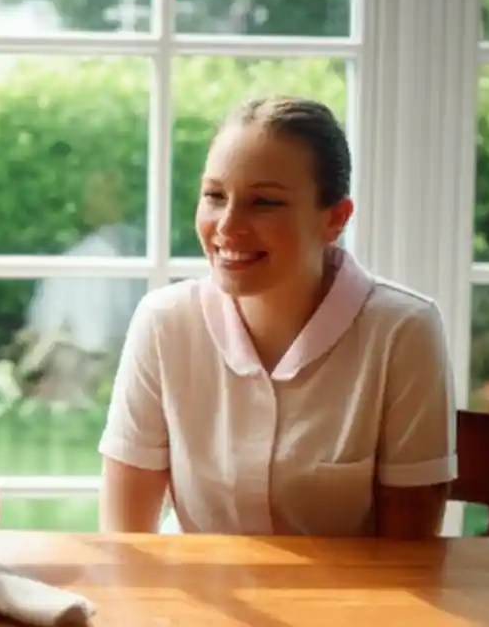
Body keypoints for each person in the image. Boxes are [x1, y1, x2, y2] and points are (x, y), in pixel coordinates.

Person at [98, 96, 456, 538]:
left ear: (335, 219)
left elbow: (409, 558)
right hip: (191, 599)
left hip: (349, 605)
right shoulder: (164, 322)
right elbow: (125, 542)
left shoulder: (403, 331)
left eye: (264, 202)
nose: (227, 226)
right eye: (214, 195)